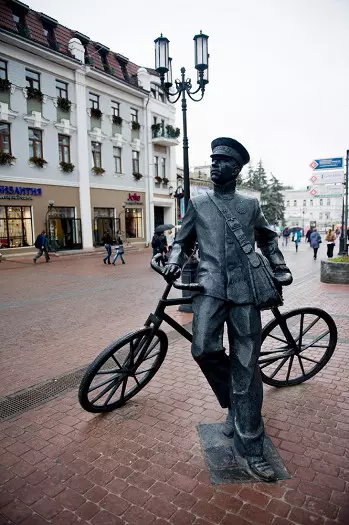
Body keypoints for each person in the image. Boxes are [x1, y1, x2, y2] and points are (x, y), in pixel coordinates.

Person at [163, 137, 293, 482]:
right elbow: (182, 241)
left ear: (235, 169)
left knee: (247, 366)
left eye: (222, 162)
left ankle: (252, 448)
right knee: (203, 348)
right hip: (209, 286)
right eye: (213, 160)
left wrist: (278, 265)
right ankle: (235, 406)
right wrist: (174, 262)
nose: (215, 165)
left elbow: (267, 238)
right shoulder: (199, 202)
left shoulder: (250, 205)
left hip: (246, 289)